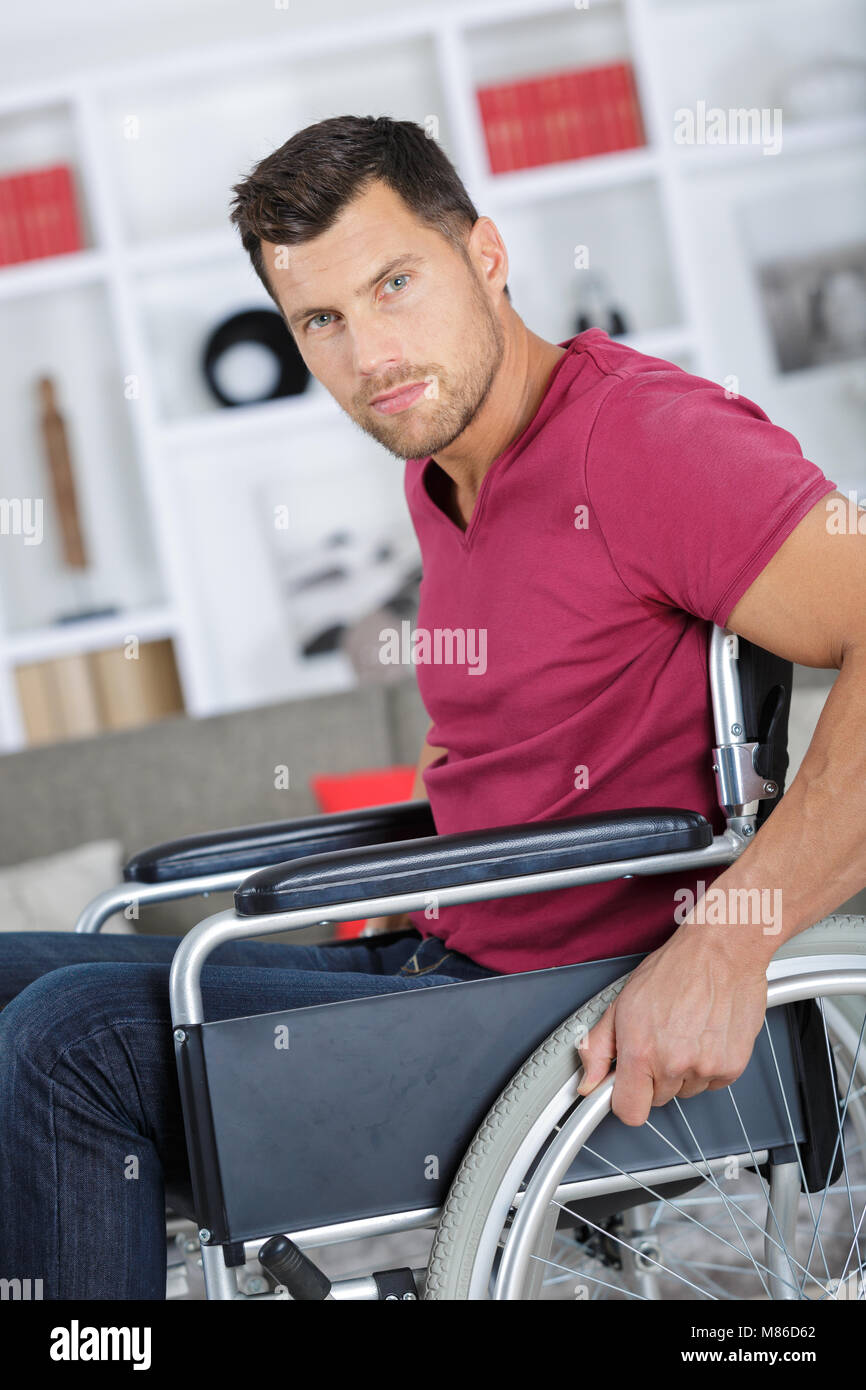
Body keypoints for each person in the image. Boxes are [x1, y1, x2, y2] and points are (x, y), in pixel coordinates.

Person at [1, 115, 864, 1301]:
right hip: (448, 968)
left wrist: (734, 937)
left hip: (560, 1014)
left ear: (488, 254)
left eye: (395, 283)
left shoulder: (642, 441)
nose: (370, 354)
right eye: (323, 321)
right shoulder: (438, 465)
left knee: (70, 1041)